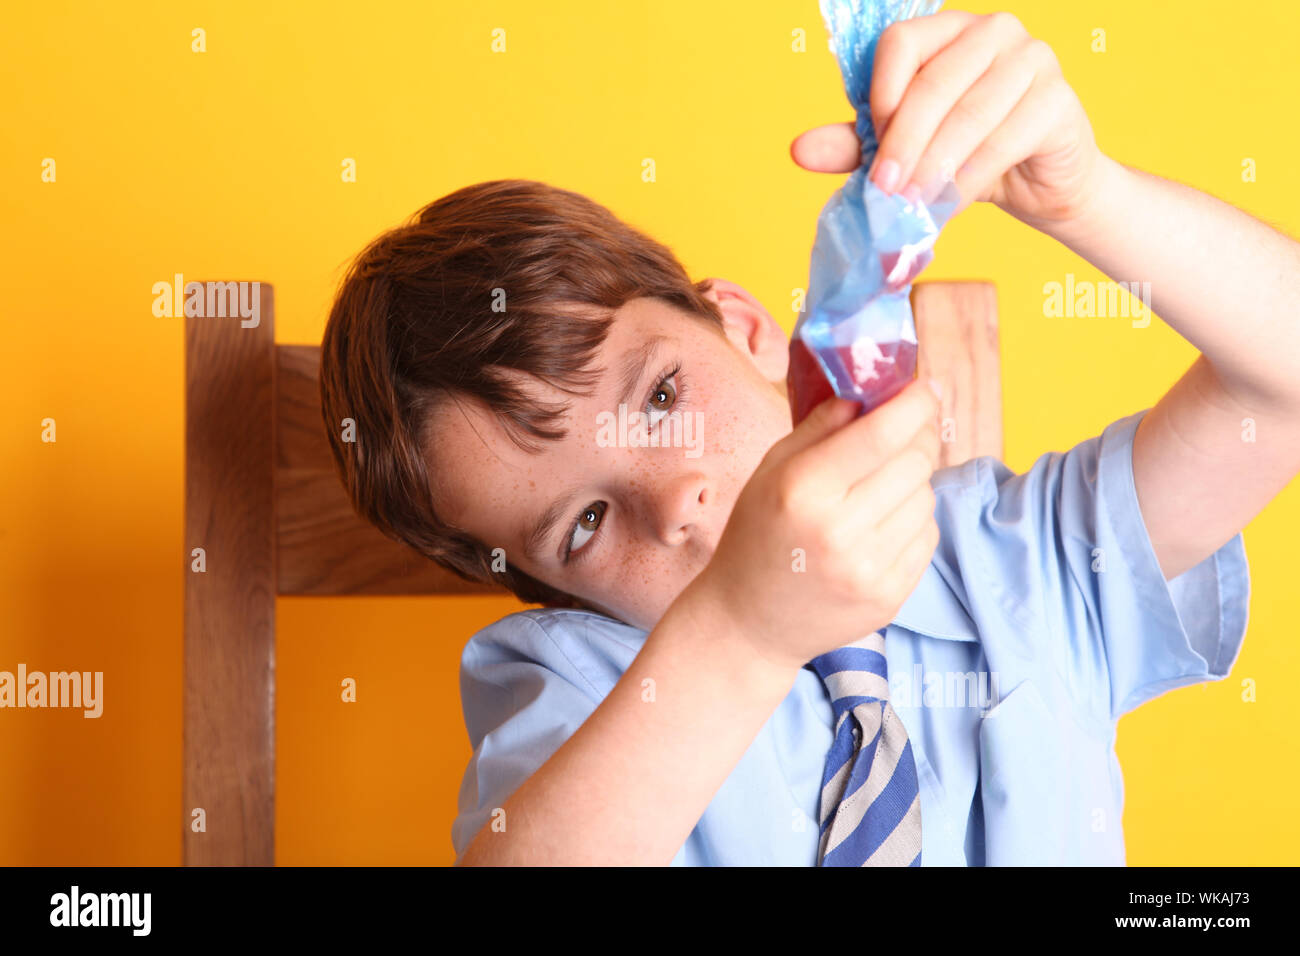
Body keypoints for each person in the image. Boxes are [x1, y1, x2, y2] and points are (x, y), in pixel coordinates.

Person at [318, 10, 1299, 864]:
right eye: (580, 524)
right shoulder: (581, 688)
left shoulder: (1019, 558)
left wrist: (1090, 199)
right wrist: (740, 630)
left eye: (659, 394)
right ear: (557, 588)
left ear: (747, 329)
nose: (678, 501)